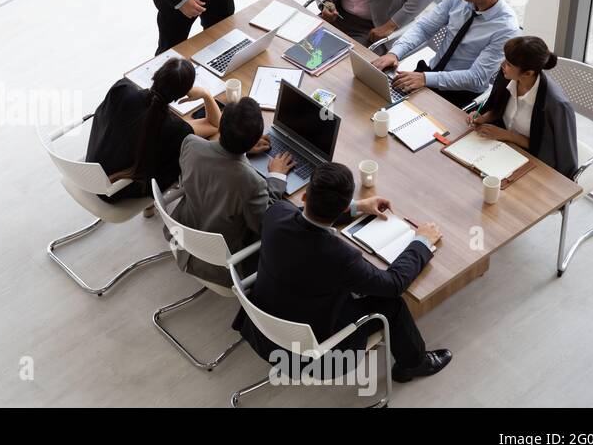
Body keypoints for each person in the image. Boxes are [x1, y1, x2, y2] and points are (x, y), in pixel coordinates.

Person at [238, 162, 452, 383]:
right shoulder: (341, 258)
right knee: (392, 303)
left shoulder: (276, 214)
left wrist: (357, 207)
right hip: (317, 357)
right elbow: (393, 283)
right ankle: (413, 364)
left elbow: (301, 216)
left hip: (261, 330)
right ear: (341, 208)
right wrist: (422, 242)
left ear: (304, 197)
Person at [166, 98, 295, 288]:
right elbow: (264, 225)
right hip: (218, 264)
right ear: (256, 137)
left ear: (221, 123)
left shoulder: (190, 143)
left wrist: (241, 151)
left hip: (180, 236)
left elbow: (213, 170)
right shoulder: (252, 183)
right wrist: (276, 176)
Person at [372, 0, 521, 109]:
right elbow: (424, 28)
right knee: (378, 103)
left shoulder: (507, 30)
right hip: (428, 74)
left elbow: (476, 77)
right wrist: (395, 52)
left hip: (459, 95)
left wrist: (425, 79)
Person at [85, 57, 219, 203]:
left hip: (90, 169)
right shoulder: (176, 130)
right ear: (183, 94)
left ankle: (149, 209)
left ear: (156, 75)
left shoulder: (122, 90)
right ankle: (149, 206)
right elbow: (214, 124)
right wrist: (206, 94)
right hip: (114, 190)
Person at [469, 36, 579, 179]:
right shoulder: (507, 76)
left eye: (508, 63)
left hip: (532, 163)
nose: (502, 64)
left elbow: (550, 149)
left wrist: (506, 135)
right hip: (501, 149)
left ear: (528, 73)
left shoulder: (556, 105)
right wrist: (484, 117)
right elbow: (498, 108)